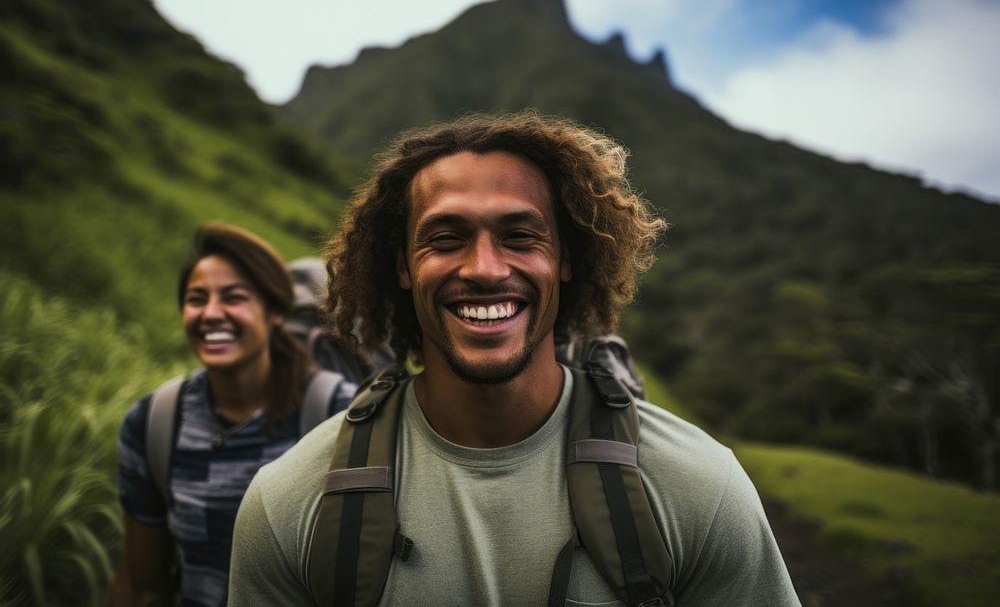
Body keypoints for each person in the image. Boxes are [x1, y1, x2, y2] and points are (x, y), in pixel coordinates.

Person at [229, 112, 800, 605]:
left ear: (567, 259)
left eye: (521, 236)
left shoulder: (698, 486)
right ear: (401, 266)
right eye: (445, 238)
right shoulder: (288, 504)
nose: (484, 269)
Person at [111, 224, 357, 606]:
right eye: (196, 299)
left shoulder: (342, 414)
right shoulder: (154, 423)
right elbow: (143, 585)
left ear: (275, 312)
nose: (210, 314)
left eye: (233, 297)